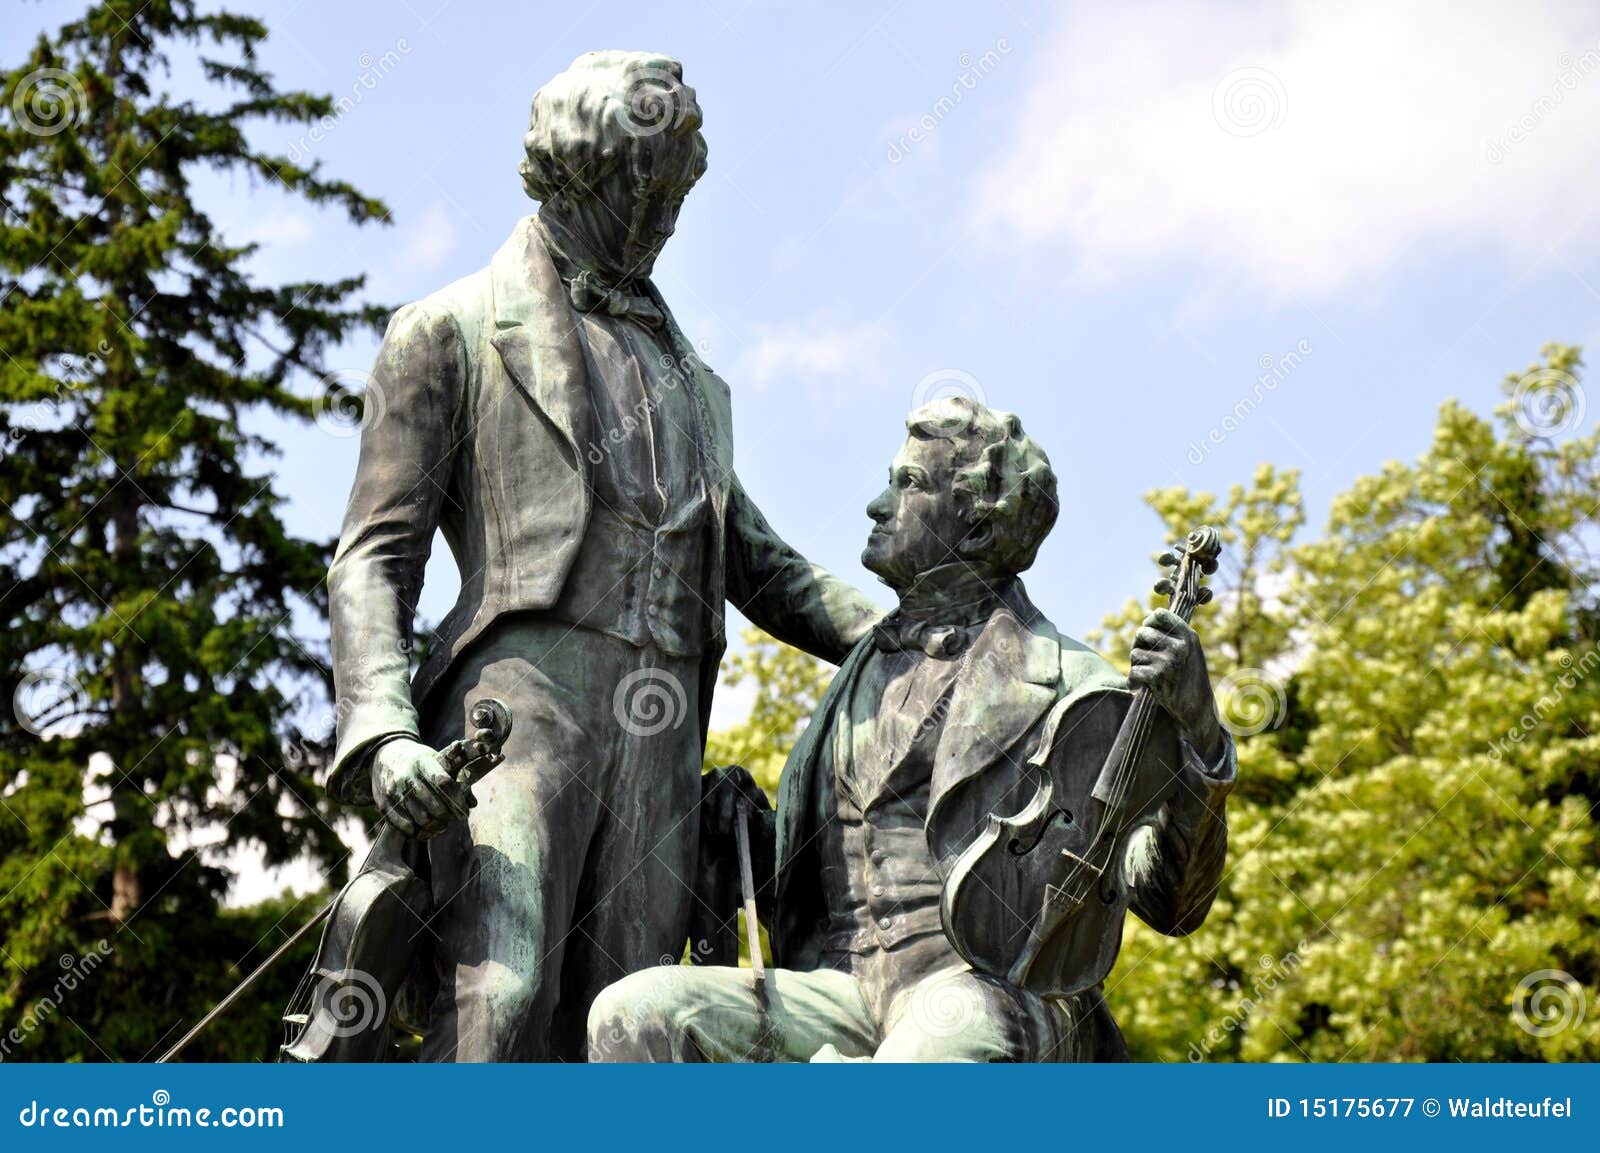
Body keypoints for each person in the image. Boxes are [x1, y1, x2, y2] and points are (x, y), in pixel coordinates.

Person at [324, 51, 880, 1061]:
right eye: (645, 187)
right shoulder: (444, 332)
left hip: (661, 735)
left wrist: (903, 630)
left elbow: (756, 561)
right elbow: (373, 556)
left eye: (676, 191)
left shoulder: (692, 379)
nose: (666, 215)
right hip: (515, 719)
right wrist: (383, 736)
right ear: (576, 172)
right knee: (504, 989)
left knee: (628, 1018)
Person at [587, 398, 1236, 1061]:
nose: (875, 504)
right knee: (633, 1014)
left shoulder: (1074, 684)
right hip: (841, 988)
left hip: (985, 992)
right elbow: (849, 853)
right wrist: (754, 829)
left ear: (979, 529)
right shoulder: (866, 659)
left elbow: (1168, 898)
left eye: (909, 485)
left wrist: (1202, 738)